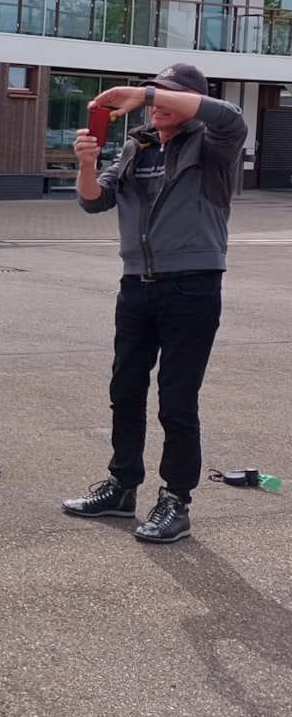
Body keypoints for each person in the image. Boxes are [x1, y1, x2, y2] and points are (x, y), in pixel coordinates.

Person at [63, 63, 247, 544]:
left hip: (193, 284)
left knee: (177, 400)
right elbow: (93, 201)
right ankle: (123, 487)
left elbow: (230, 116)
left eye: (170, 95)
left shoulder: (214, 145)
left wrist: (145, 93)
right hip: (136, 285)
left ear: (190, 101)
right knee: (125, 389)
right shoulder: (135, 146)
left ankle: (176, 501)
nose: (158, 102)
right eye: (155, 93)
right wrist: (85, 162)